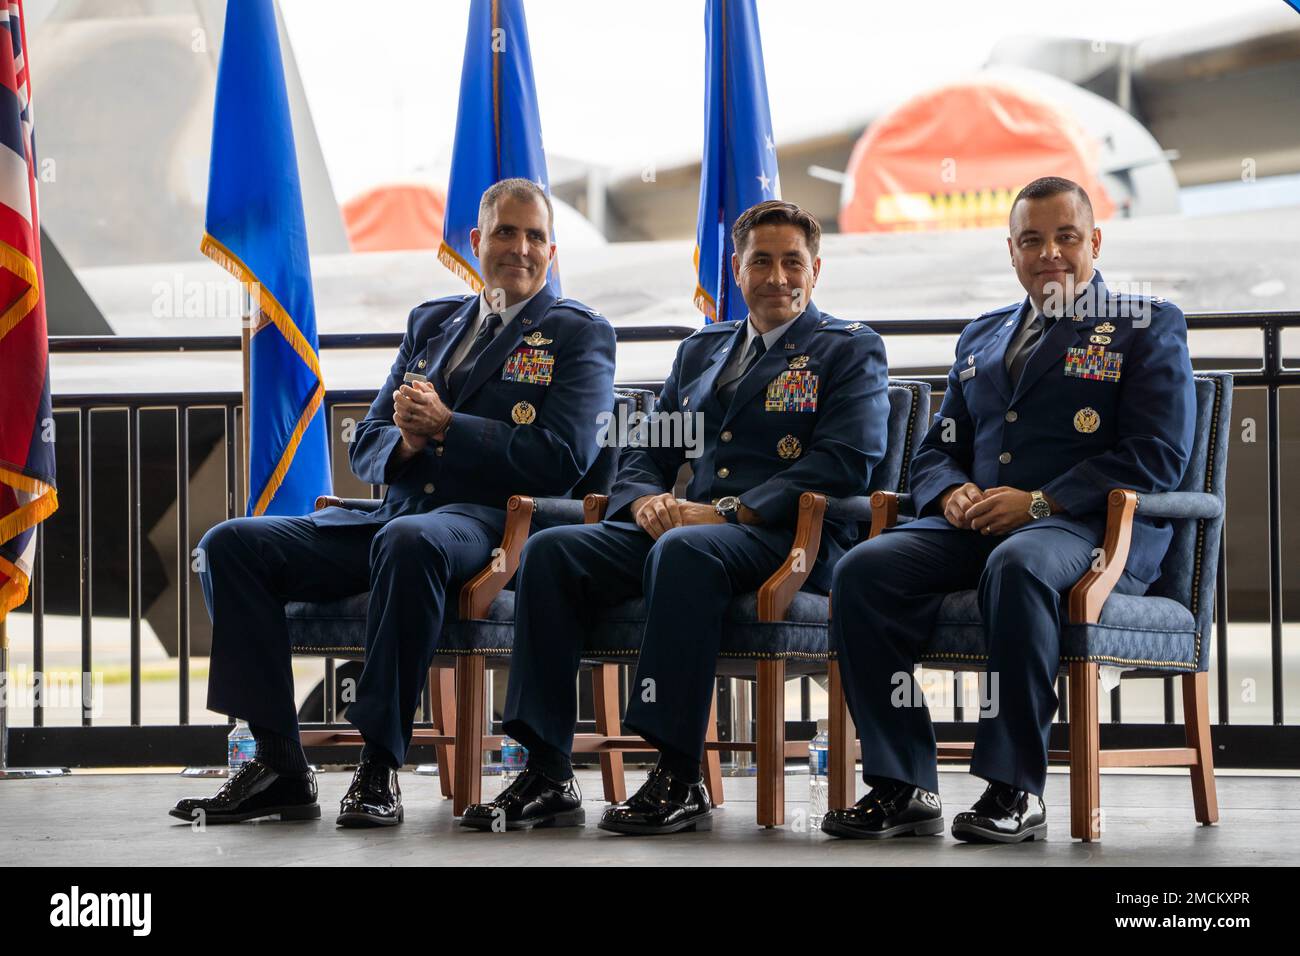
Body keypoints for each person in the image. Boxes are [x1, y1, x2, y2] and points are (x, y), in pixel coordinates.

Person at [171, 178, 616, 827]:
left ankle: (378, 767)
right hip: (394, 518)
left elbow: (562, 458)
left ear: (552, 249)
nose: (520, 247)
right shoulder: (434, 321)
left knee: (409, 544)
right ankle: (279, 766)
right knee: (230, 546)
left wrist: (448, 427)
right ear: (476, 242)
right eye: (505, 232)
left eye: (534, 236)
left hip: (492, 526)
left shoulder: (579, 333)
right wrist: (406, 441)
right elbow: (368, 443)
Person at [461, 199, 890, 834]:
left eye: (792, 262)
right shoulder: (702, 351)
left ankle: (679, 774)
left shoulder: (848, 350)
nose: (777, 278)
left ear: (816, 270)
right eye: (760, 262)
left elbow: (845, 462)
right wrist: (645, 501)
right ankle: (548, 771)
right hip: (685, 529)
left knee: (681, 552)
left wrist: (727, 511)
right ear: (736, 273)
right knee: (553, 551)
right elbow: (643, 447)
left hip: (786, 539)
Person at [821, 176, 1195, 843]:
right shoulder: (983, 335)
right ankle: (901, 784)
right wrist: (950, 491)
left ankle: (1013, 788)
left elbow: (1158, 455)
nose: (1049, 252)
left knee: (1020, 564)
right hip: (979, 525)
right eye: (1032, 240)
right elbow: (938, 450)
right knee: (863, 569)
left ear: (1095, 242)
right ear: (1012, 252)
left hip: (1087, 531)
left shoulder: (1145, 322)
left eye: (1066, 237)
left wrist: (1042, 501)